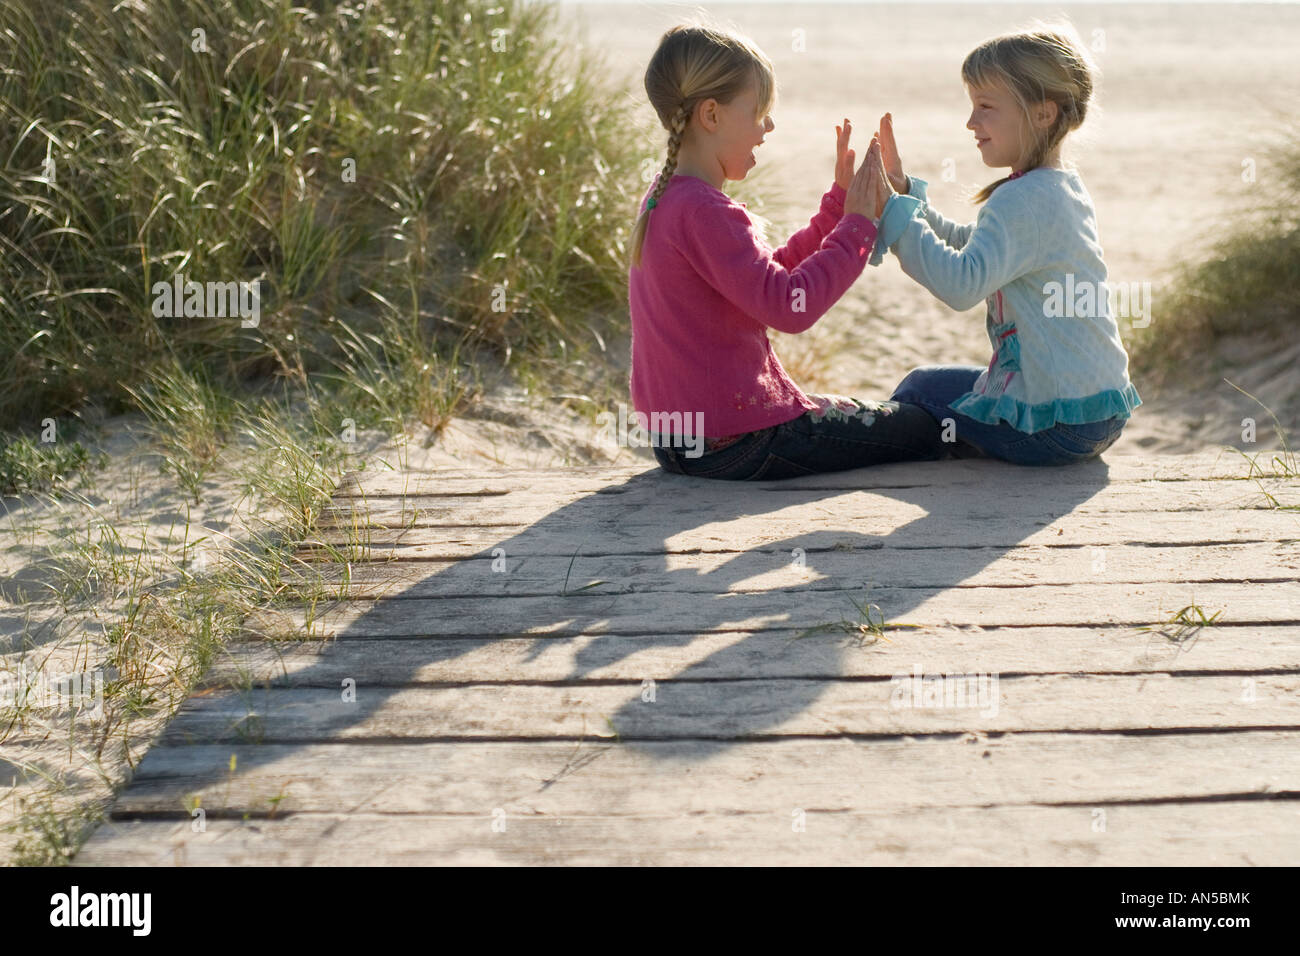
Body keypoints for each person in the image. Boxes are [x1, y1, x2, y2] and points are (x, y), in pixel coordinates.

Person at [627, 23, 945, 481]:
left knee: (873, 411)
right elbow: (789, 307)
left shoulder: (666, 198)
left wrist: (836, 208)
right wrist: (858, 226)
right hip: (739, 442)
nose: (768, 126)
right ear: (711, 115)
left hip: (682, 444)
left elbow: (765, 279)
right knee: (922, 426)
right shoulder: (705, 211)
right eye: (758, 112)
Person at [865, 26, 1142, 466]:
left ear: (1043, 113)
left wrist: (898, 222)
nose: (971, 123)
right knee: (939, 392)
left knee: (919, 389)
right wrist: (907, 200)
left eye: (985, 107)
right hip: (1097, 415)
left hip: (1055, 428)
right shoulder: (1058, 185)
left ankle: (892, 460)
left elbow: (961, 283)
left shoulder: (1022, 198)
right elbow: (976, 247)